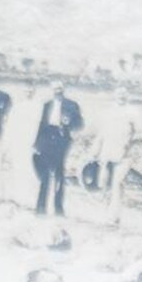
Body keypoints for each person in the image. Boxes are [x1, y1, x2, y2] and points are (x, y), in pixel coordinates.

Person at [32, 82, 83, 216]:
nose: (57, 91)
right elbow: (41, 125)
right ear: (52, 90)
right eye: (55, 89)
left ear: (63, 90)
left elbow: (80, 123)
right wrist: (36, 144)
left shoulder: (72, 105)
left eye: (59, 89)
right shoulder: (47, 105)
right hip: (47, 138)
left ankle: (58, 209)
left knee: (59, 175)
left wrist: (70, 123)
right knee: (44, 175)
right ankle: (40, 208)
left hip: (62, 140)